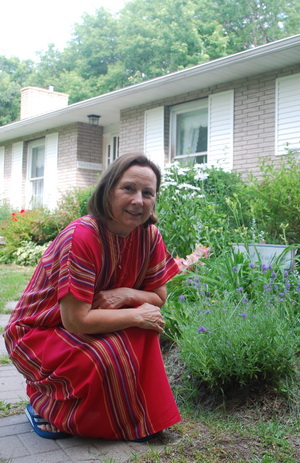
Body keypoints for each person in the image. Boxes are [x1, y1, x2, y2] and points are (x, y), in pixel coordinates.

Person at [4, 153, 181, 441]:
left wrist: (125, 295)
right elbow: (76, 321)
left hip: (83, 323)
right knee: (107, 353)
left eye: (148, 193)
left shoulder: (150, 236)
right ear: (108, 190)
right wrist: (136, 313)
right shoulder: (82, 237)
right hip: (39, 333)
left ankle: (137, 417)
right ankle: (48, 405)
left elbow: (158, 297)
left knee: (144, 333)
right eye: (128, 189)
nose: (139, 200)